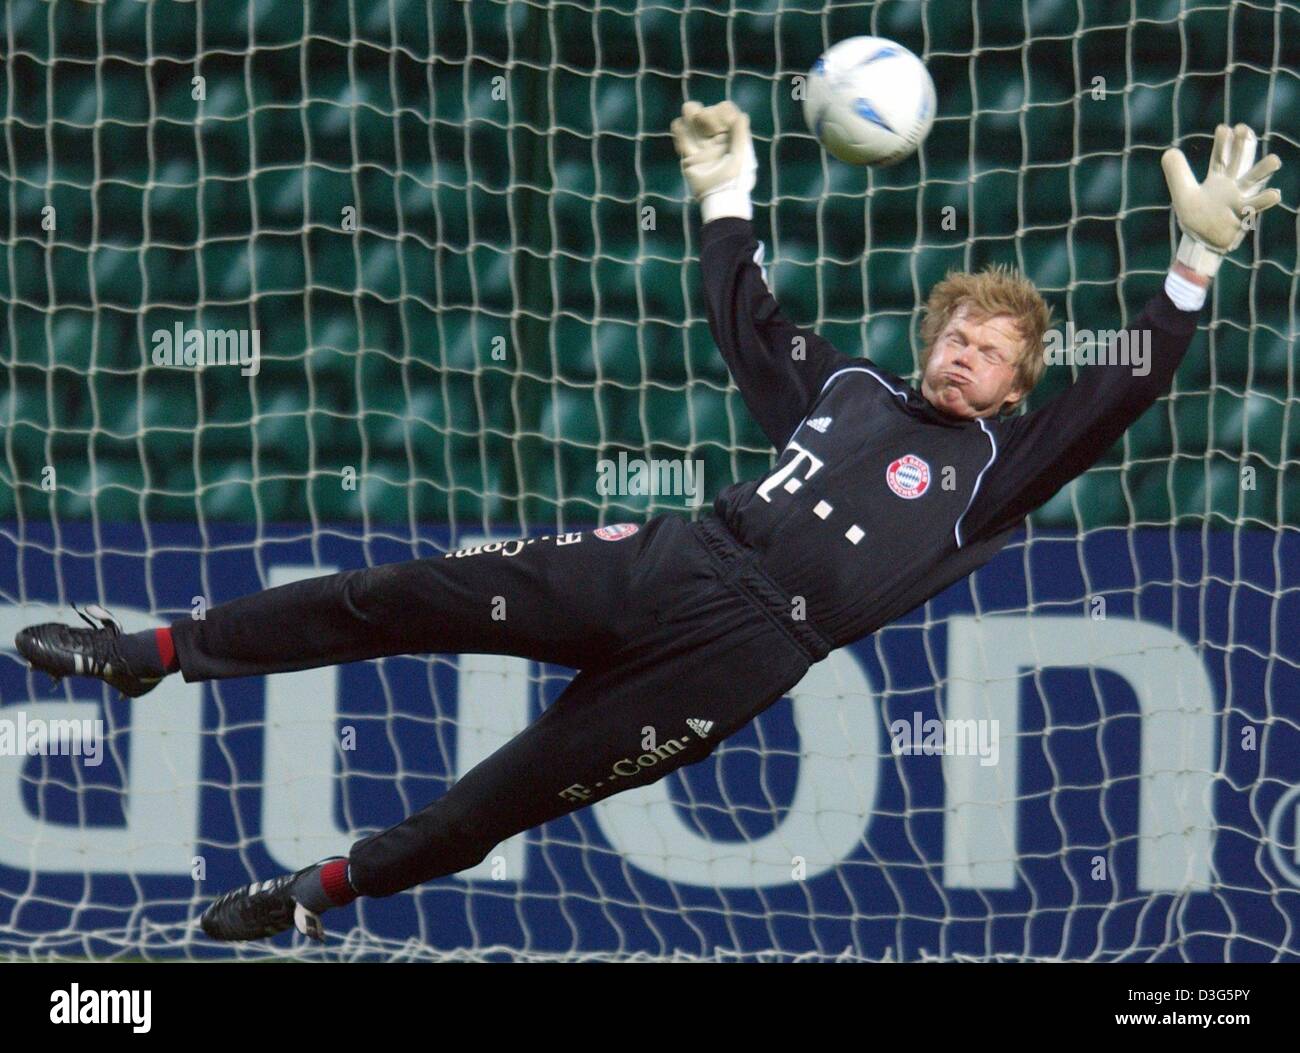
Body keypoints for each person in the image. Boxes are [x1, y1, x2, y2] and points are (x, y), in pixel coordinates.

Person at [14, 103, 1281, 943]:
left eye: (994, 351)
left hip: (741, 659)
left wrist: (1190, 269)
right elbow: (746, 318)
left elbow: (1120, 396)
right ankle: (151, 654)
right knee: (397, 593)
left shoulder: (998, 469)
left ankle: (306, 898)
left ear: (1015, 383)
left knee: (481, 814)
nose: (966, 355)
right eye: (954, 333)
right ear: (927, 338)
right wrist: (727, 192)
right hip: (667, 562)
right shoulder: (845, 388)